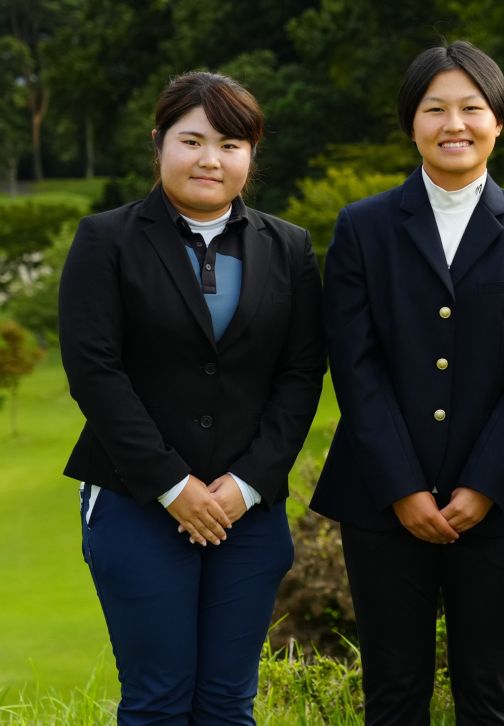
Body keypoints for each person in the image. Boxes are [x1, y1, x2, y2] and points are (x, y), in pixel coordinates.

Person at [309, 40, 504, 725]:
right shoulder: (362, 228)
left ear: (498, 121)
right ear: (412, 122)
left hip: (499, 504)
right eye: (436, 109)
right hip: (381, 501)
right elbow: (354, 365)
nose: (454, 124)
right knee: (394, 696)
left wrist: (484, 487)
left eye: (471, 108)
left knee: (491, 698)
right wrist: (402, 488)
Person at [58, 71, 325, 725]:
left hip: (249, 514)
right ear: (159, 143)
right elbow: (95, 372)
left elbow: (301, 374)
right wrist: (174, 485)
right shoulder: (107, 240)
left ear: (251, 156)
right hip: (134, 501)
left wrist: (250, 483)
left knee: (228, 704)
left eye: (231, 144)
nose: (211, 159)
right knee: (158, 703)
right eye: (193, 140)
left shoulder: (288, 247)